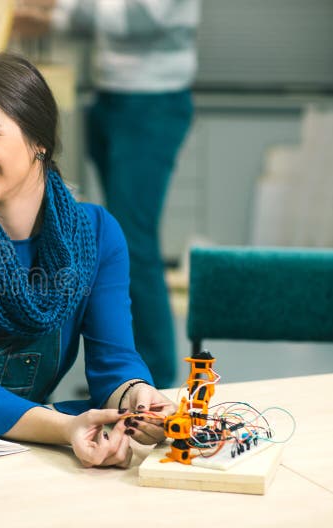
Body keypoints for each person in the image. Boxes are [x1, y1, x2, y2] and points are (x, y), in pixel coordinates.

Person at [0, 53, 175, 468]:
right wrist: (67, 429)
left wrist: (135, 397)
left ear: (39, 140)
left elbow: (114, 363)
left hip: (28, 451)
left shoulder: (96, 233)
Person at [13, 0, 200, 388]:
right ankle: (117, 374)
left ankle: (154, 378)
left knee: (133, 240)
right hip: (111, 96)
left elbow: (141, 17)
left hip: (152, 101)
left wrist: (53, 15)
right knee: (109, 236)